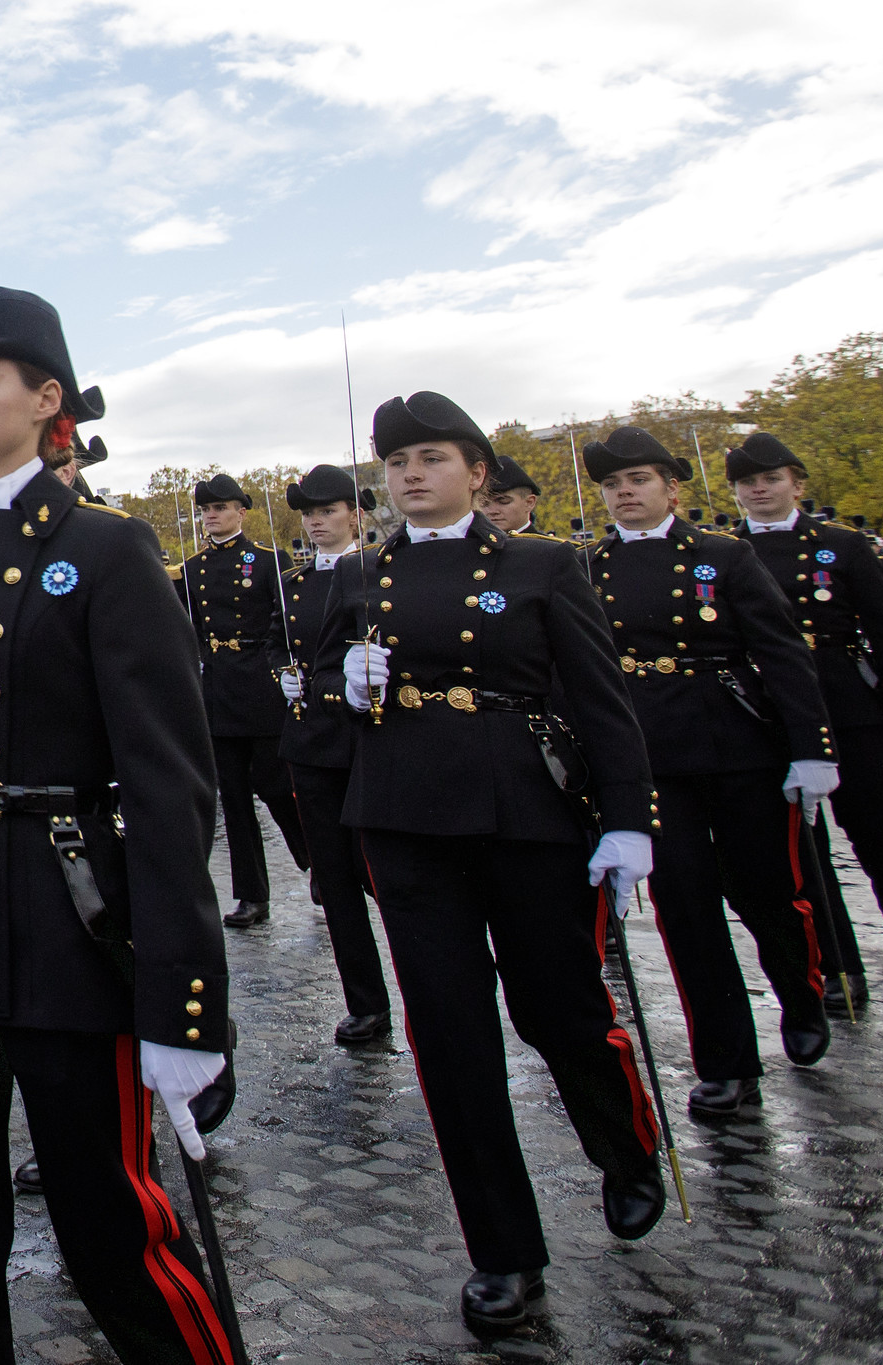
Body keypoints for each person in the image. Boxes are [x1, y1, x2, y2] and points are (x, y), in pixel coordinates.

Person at [0, 285, 236, 1363]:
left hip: (63, 918)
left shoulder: (105, 550)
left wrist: (181, 1000)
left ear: (44, 398)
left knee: (111, 1230)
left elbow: (168, 788)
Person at [312, 390, 666, 1333]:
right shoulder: (364, 574)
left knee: (561, 1008)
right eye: (396, 463)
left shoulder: (543, 565)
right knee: (451, 1037)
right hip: (405, 814)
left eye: (430, 458)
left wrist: (628, 819)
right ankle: (503, 1248)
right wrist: (346, 685)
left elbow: (602, 698)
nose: (410, 475)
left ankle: (626, 1145)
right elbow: (316, 680)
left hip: (524, 811)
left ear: (476, 471)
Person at [585, 427, 836, 1117]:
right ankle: (726, 1059)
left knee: (769, 895)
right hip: (652, 759)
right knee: (687, 915)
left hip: (738, 749)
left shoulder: (723, 555)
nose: (625, 493)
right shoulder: (590, 566)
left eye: (638, 479)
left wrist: (811, 747)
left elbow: (782, 652)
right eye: (613, 484)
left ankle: (803, 993)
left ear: (671, 486)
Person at [730, 433, 883, 991]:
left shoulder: (840, 545)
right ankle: (841, 964)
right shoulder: (722, 552)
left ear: (796, 483)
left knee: (871, 826)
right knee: (803, 851)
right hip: (770, 711)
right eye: (748, 482)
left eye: (771, 479)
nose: (760, 489)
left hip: (846, 703)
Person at [273, 465, 392, 1045]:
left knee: (388, 876)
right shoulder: (293, 583)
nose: (317, 522)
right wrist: (283, 677)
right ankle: (365, 1000)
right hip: (312, 740)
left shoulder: (377, 572)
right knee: (337, 882)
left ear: (355, 514)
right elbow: (277, 638)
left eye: (328, 512)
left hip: (369, 738)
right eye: (309, 514)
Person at [181, 472, 309, 926]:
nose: (211, 517)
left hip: (259, 684)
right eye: (206, 511)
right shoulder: (193, 567)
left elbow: (286, 623)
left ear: (242, 511)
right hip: (217, 687)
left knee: (275, 786)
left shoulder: (269, 561)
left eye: (219, 509)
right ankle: (252, 896)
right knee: (232, 798)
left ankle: (312, 859)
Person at [480, 457, 542, 535]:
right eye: (484, 503)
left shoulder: (549, 546)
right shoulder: (469, 544)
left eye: (503, 501)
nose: (492, 511)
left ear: (529, 503)